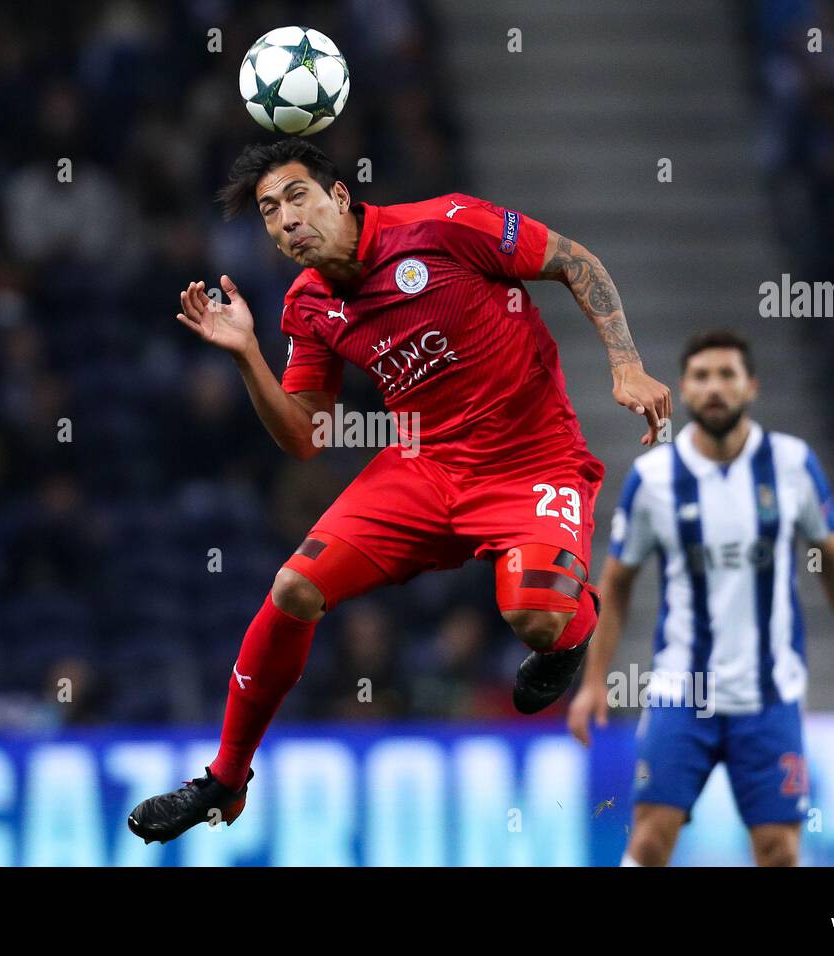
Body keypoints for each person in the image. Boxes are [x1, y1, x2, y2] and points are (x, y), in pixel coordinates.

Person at [128, 137, 672, 844]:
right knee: (295, 586)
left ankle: (576, 623)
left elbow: (573, 260)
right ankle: (224, 782)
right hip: (423, 467)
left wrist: (626, 366)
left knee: (536, 619)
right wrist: (247, 355)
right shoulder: (308, 305)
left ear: (340, 198)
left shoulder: (446, 225)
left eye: (298, 197)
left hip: (532, 461)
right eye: (269, 211)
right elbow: (304, 437)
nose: (287, 220)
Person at [567, 329, 834, 866]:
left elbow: (832, 562)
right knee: (650, 841)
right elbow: (619, 583)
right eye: (702, 376)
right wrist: (595, 680)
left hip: (768, 697)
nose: (715, 387)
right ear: (683, 389)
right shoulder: (654, 477)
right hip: (680, 694)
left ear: (751, 387)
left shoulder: (791, 463)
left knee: (778, 850)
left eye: (727, 375)